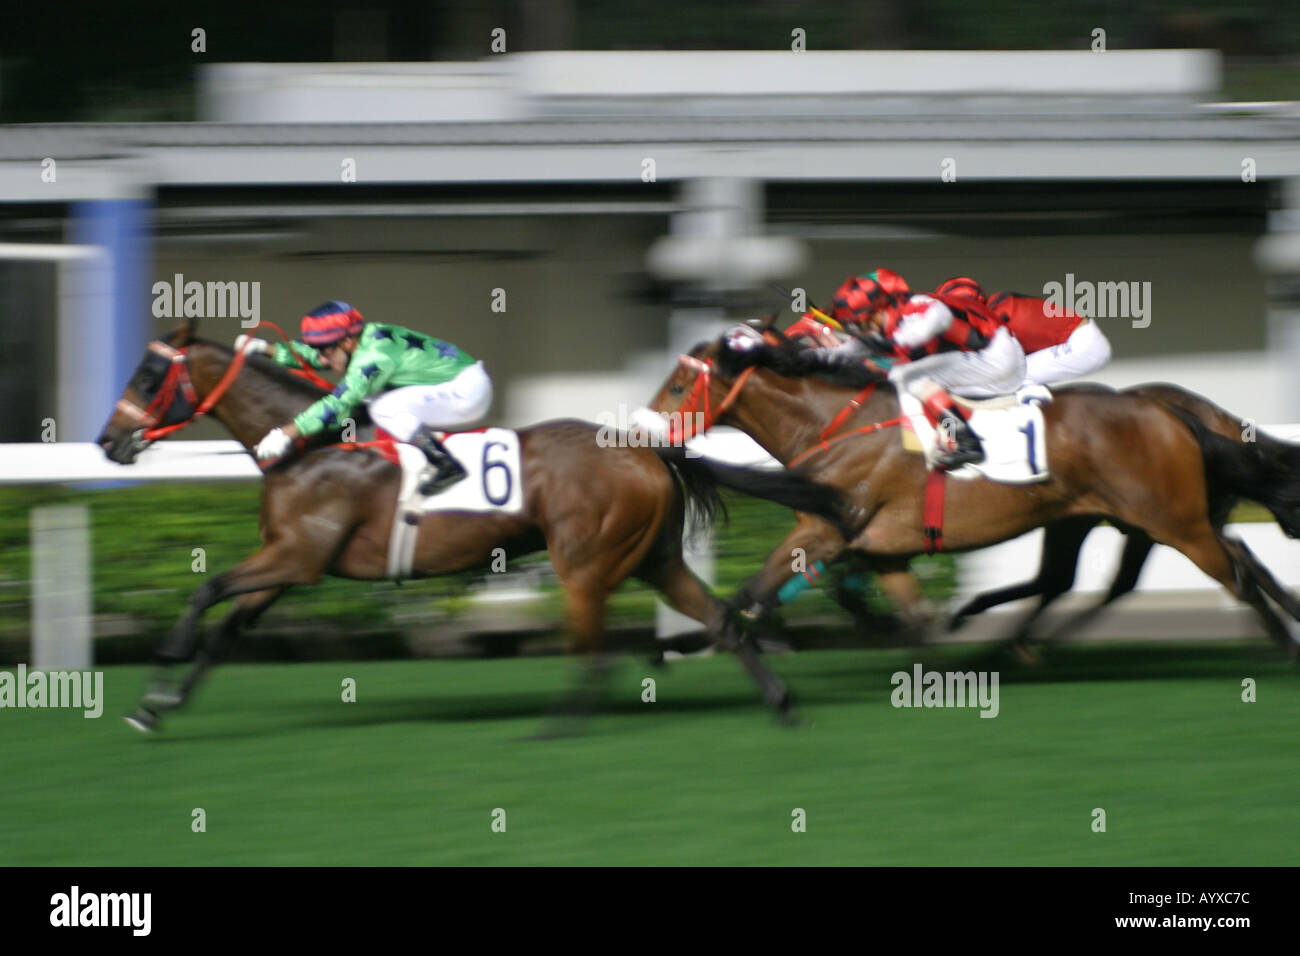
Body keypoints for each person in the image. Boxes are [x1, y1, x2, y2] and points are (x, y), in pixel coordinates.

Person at [241, 301, 492, 494]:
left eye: (326, 350)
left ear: (347, 341)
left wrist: (287, 433)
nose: (323, 359)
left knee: (383, 408)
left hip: (467, 392)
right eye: (320, 349)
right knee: (373, 403)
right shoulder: (363, 338)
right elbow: (317, 355)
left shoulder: (373, 358)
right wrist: (267, 349)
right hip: (458, 382)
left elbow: (338, 403)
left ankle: (444, 465)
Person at [829, 273, 1025, 469]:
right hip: (986, 353)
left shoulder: (921, 309)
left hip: (999, 360)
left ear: (879, 310)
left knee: (906, 375)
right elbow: (853, 349)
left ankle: (966, 442)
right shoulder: (891, 313)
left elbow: (924, 328)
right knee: (904, 372)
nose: (860, 330)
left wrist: (888, 344)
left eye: (861, 324)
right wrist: (812, 357)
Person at [933, 277, 1112, 386]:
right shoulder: (994, 309)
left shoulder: (998, 318)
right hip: (1080, 338)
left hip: (1084, 345)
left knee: (1010, 379)